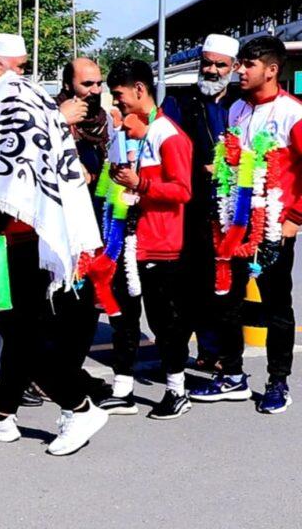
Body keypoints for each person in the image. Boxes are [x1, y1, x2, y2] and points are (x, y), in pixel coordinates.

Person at [0, 44, 108, 456]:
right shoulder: (25, 94)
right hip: (31, 231)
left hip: (27, 234)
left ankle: (79, 406)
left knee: (25, 333)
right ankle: (1, 414)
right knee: (16, 330)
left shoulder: (12, 100)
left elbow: (9, 173)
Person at [190, 35, 302, 414]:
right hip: (233, 224)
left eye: (248, 65)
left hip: (273, 226)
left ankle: (278, 382)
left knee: (275, 307)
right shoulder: (237, 108)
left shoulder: (292, 112)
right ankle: (233, 376)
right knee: (228, 302)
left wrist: (294, 219)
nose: (239, 70)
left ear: (271, 70)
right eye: (240, 64)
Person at [93, 59, 194, 419]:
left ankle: (176, 389)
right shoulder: (130, 133)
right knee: (123, 317)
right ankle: (123, 389)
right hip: (126, 241)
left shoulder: (169, 134)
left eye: (119, 96)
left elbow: (182, 191)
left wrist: (142, 184)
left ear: (139, 90)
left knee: (164, 322)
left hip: (160, 245)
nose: (116, 104)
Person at [161, 34, 240, 371]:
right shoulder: (178, 102)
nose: (210, 70)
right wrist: (200, 169)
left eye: (219, 65)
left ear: (233, 68)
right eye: (206, 63)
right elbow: (165, 150)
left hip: (233, 210)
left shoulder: (241, 103)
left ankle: (221, 354)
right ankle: (189, 352)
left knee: (226, 287)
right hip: (190, 210)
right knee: (189, 286)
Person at [55, 57, 113, 405]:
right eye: (86, 85)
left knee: (89, 306)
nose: (94, 91)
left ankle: (72, 369)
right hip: (62, 228)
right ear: (68, 85)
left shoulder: (103, 120)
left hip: (97, 224)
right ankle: (54, 373)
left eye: (98, 84)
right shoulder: (53, 117)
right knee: (61, 304)